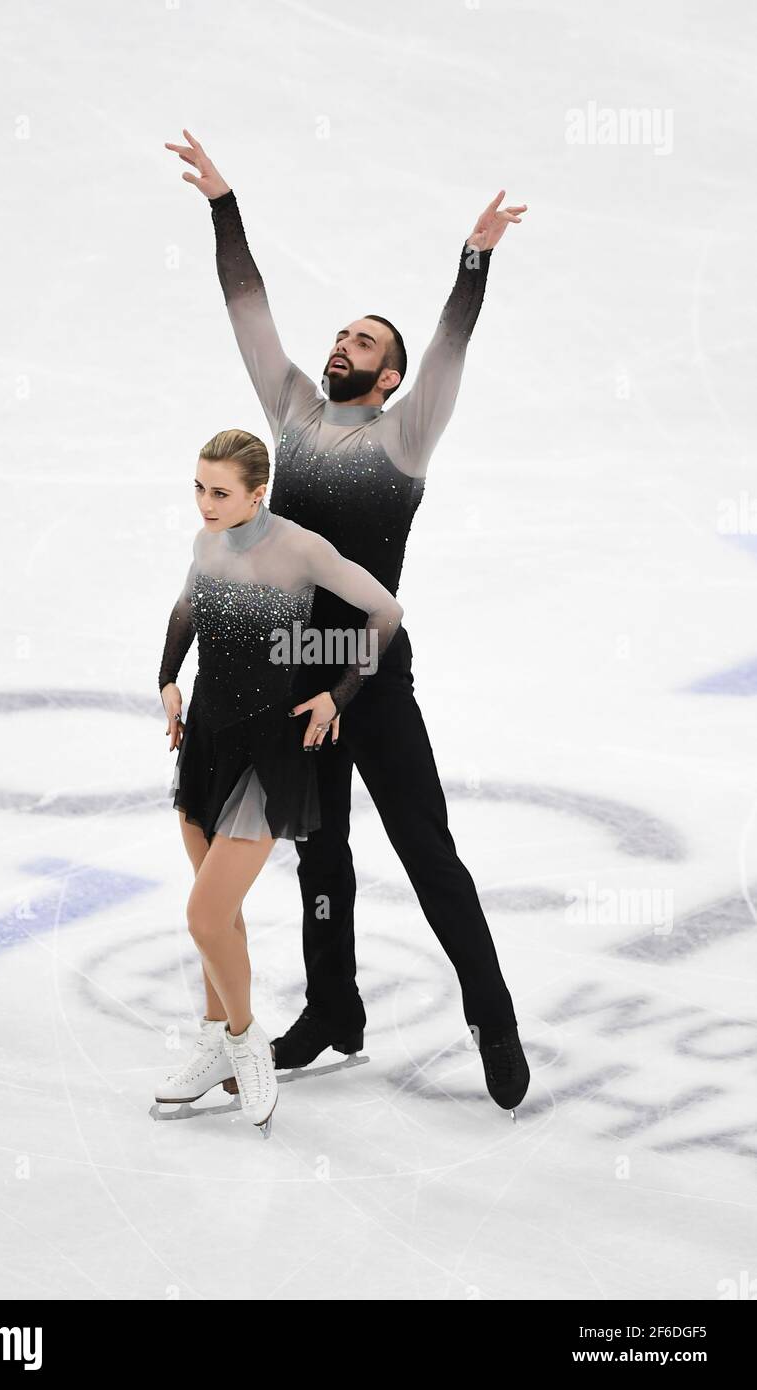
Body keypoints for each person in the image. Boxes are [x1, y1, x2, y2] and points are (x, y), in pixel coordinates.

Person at [164, 131, 531, 1115]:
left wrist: (473, 259)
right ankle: (333, 1007)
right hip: (292, 668)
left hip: (367, 668)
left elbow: (452, 342)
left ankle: (490, 1014)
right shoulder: (288, 413)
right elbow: (247, 305)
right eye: (341, 334)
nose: (342, 345)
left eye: (364, 343)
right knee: (315, 852)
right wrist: (224, 205)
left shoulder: (405, 435)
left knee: (423, 844)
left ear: (389, 381)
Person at [155, 428, 403, 1136]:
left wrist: (337, 695)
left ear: (257, 493)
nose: (205, 503)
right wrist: (167, 678)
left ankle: (244, 1039)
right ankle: (214, 1042)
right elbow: (186, 611)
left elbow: (386, 612)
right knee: (218, 915)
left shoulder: (299, 548)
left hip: (272, 753)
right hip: (204, 738)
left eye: (220, 492)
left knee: (204, 916)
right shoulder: (208, 543)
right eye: (199, 488)